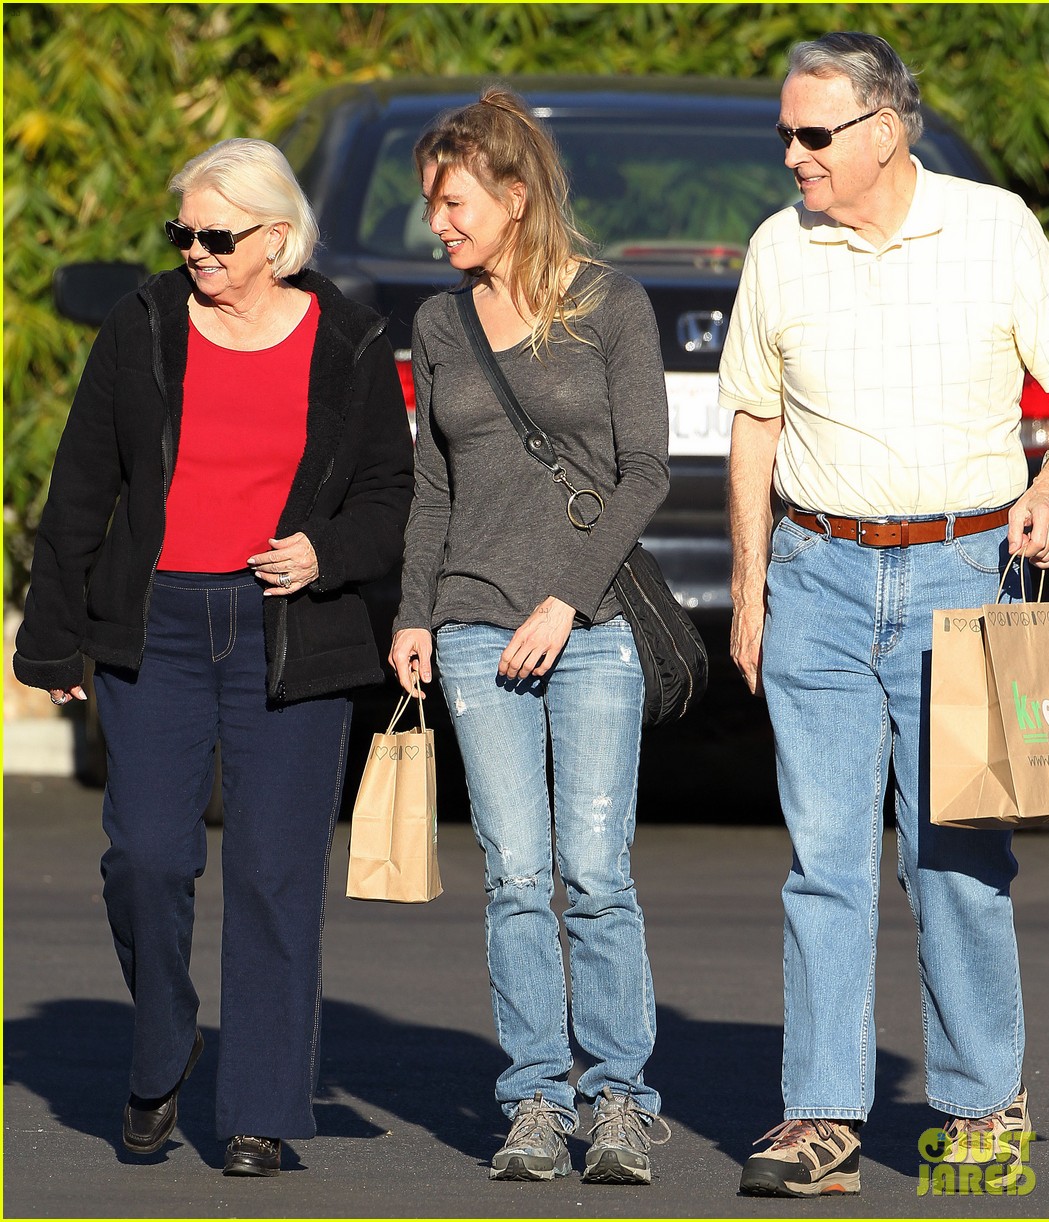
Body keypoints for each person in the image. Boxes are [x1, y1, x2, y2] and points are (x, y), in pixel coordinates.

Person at [719, 32, 1049, 1199]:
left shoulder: (992, 228)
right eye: (783, 132)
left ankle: (982, 1104)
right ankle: (820, 1118)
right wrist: (747, 584)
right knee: (824, 863)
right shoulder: (780, 248)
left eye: (812, 135)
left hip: (963, 576)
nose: (791, 155)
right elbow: (753, 421)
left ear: (884, 130)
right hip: (815, 574)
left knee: (955, 859)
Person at [13, 138, 414, 1176]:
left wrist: (328, 551)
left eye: (216, 235)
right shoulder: (142, 326)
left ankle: (260, 1113)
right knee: (146, 858)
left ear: (277, 239)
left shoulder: (352, 340)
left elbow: (390, 497)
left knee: (276, 876)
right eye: (180, 232)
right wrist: (48, 633)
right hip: (158, 630)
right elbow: (81, 485)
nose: (193, 250)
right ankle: (162, 1047)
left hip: (293, 627)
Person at [389, 87, 672, 1184]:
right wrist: (414, 609)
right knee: (515, 875)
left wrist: (564, 596)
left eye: (451, 201)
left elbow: (645, 469)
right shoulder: (438, 321)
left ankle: (617, 1099)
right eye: (431, 205)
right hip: (468, 622)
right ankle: (536, 1101)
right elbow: (431, 483)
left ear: (514, 194)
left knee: (595, 871)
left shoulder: (609, 304)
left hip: (589, 623)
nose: (437, 224)